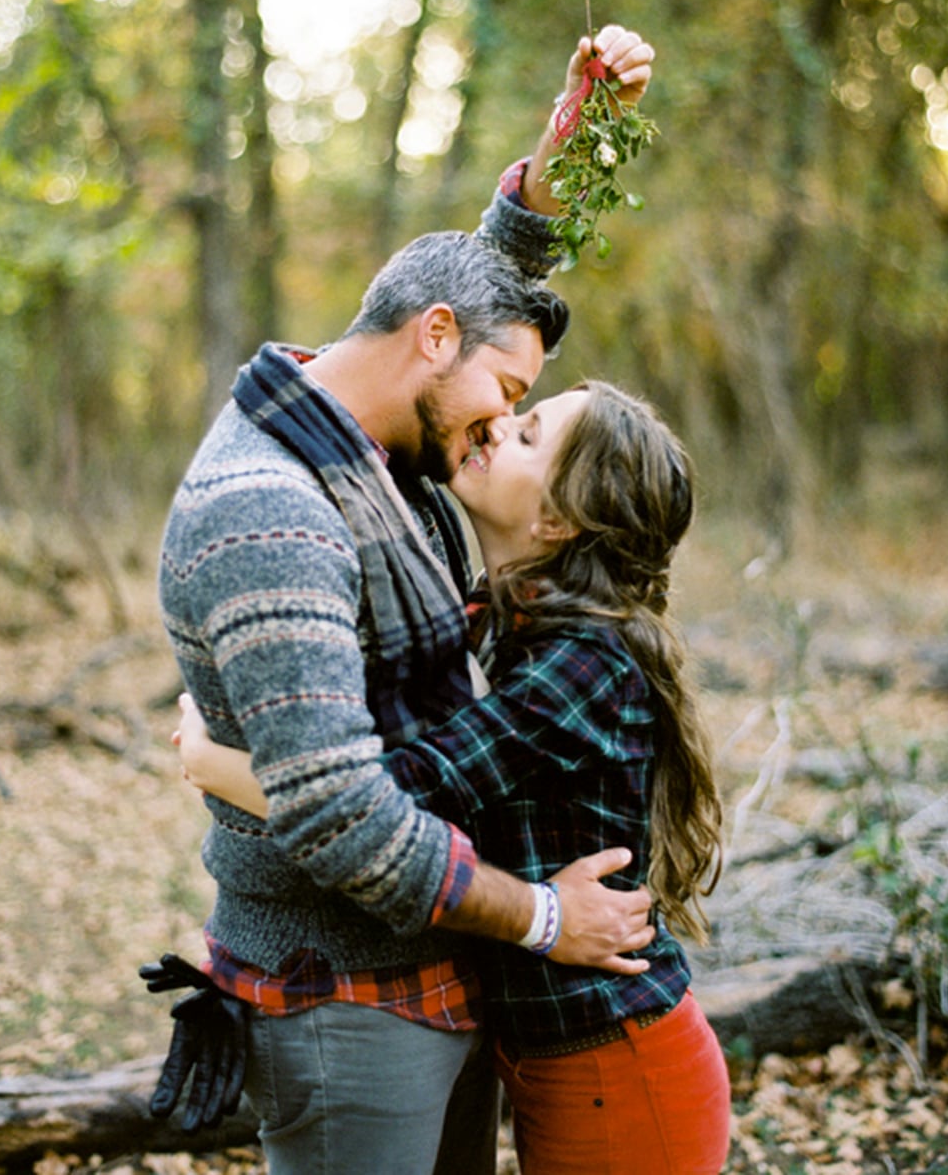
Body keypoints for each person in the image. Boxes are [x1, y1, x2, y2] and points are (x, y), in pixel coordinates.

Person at [153, 26, 661, 1175]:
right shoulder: (268, 510)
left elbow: (485, 275)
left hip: (445, 961)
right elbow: (345, 821)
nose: (500, 428)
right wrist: (544, 916)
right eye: (505, 395)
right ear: (431, 339)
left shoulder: (372, 428)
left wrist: (579, 127)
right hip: (346, 1000)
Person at [177, 381, 731, 1174]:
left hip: (618, 1064)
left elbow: (385, 799)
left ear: (556, 520)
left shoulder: (581, 665)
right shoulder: (496, 618)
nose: (499, 425)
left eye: (528, 434)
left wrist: (215, 765)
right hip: (559, 1060)